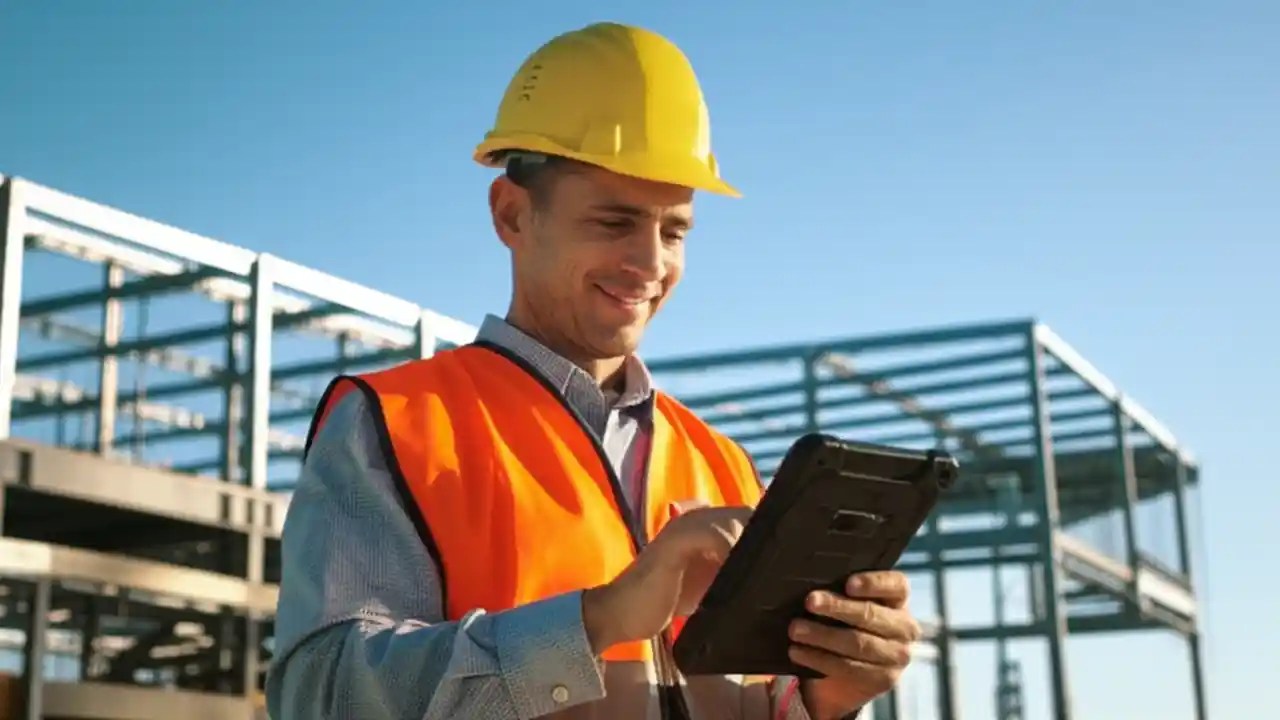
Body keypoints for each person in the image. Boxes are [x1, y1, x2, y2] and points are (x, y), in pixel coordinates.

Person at [266, 21, 921, 720]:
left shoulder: (723, 463)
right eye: (614, 223)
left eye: (674, 231)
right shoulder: (396, 423)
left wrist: (824, 695)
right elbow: (321, 695)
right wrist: (599, 618)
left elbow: (749, 700)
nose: (651, 263)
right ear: (513, 215)